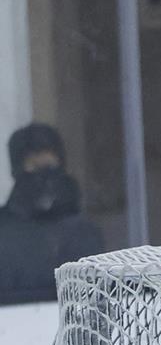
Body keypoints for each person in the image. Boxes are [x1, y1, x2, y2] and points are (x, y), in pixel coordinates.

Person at [1, 123, 104, 297]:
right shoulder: (4, 230)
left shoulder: (83, 231)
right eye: (33, 166)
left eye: (50, 165)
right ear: (18, 170)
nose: (44, 176)